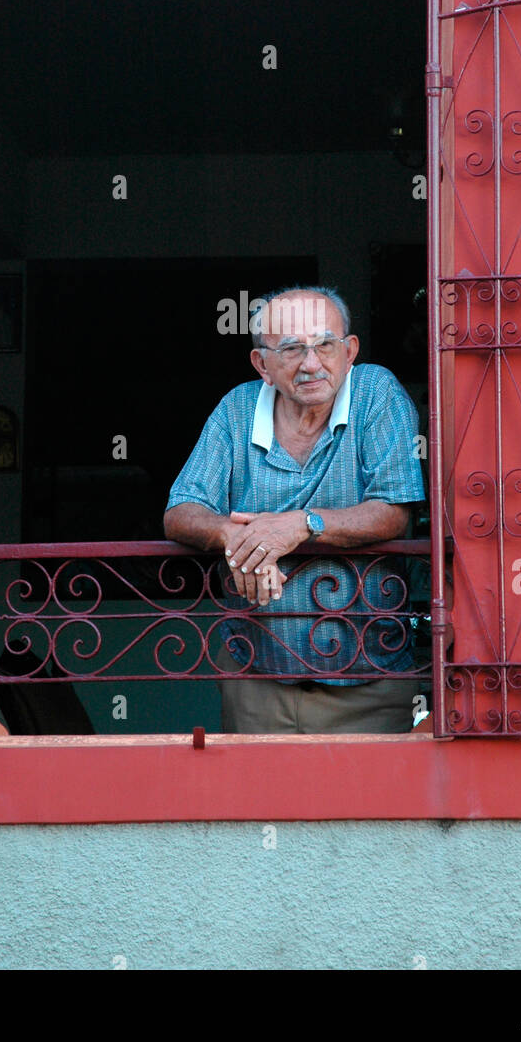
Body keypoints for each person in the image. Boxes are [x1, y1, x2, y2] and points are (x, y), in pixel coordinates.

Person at [163, 286, 426, 733]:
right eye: (291, 349)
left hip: (370, 678)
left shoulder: (376, 394)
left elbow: (394, 509)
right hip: (257, 676)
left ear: (350, 351)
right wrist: (241, 541)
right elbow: (181, 510)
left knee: (371, 805)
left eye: (325, 344)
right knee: (257, 803)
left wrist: (301, 525)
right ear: (262, 364)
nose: (311, 363)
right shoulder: (237, 409)